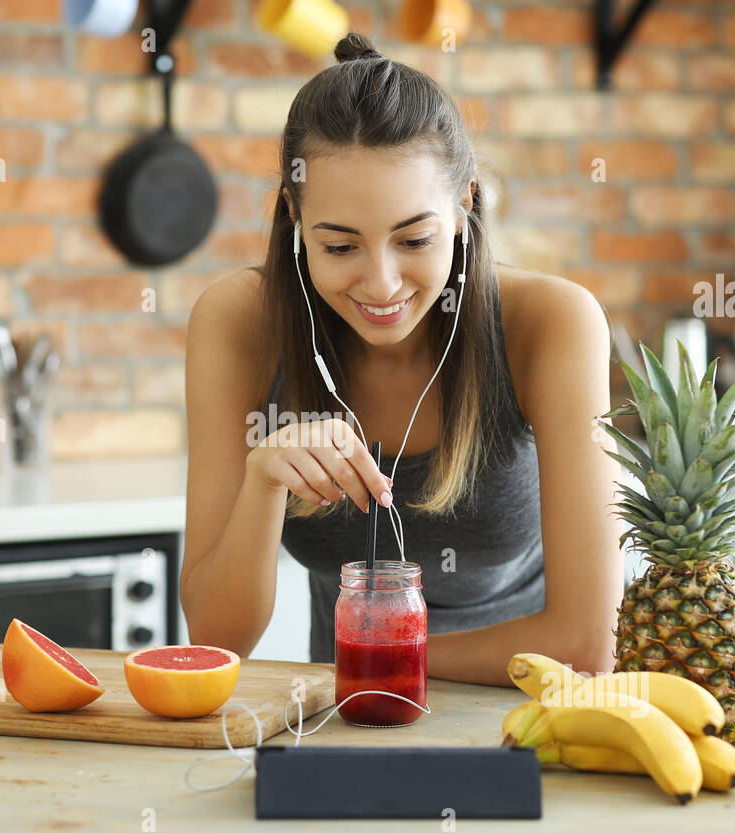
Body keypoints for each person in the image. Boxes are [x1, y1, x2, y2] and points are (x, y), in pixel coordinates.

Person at [180, 33, 624, 685]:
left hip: (526, 712)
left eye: (413, 238)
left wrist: (371, 663)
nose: (382, 284)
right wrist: (263, 481)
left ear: (464, 206)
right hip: (349, 718)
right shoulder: (239, 323)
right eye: (339, 247)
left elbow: (587, 645)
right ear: (293, 218)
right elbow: (218, 639)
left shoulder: (552, 323)